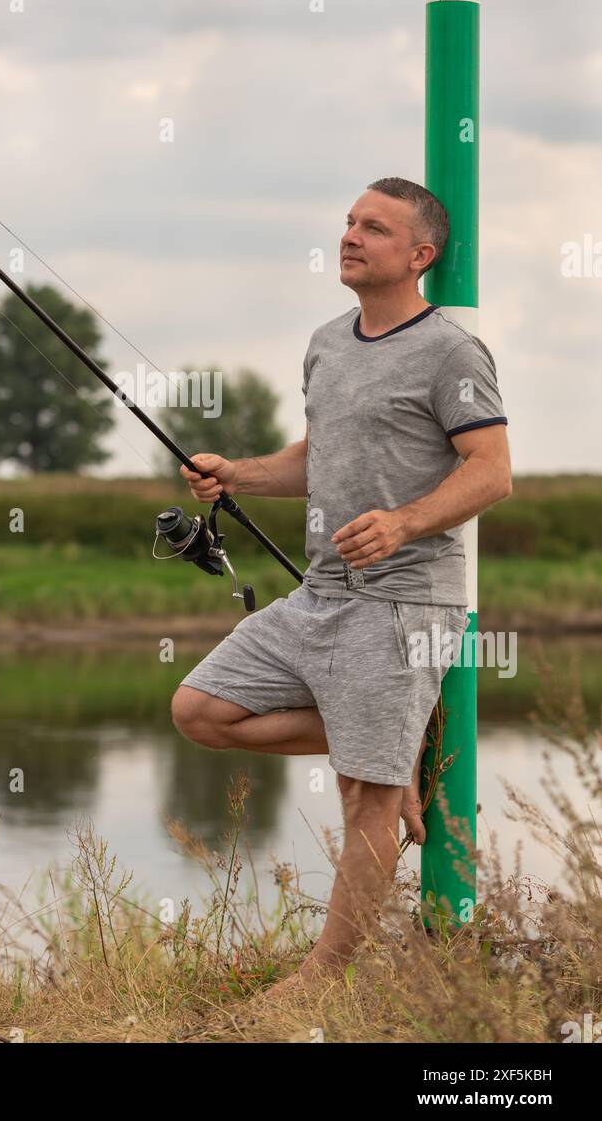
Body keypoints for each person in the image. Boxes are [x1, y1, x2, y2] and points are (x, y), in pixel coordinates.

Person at [170, 177, 512, 987]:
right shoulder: (326, 341)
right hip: (321, 592)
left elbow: (491, 473)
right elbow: (313, 458)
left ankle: (320, 975)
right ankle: (396, 742)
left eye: (375, 229)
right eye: (350, 222)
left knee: (364, 794)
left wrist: (402, 522)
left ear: (419, 255)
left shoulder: (450, 350)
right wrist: (238, 474)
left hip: (404, 602)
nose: (351, 236)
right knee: (199, 711)